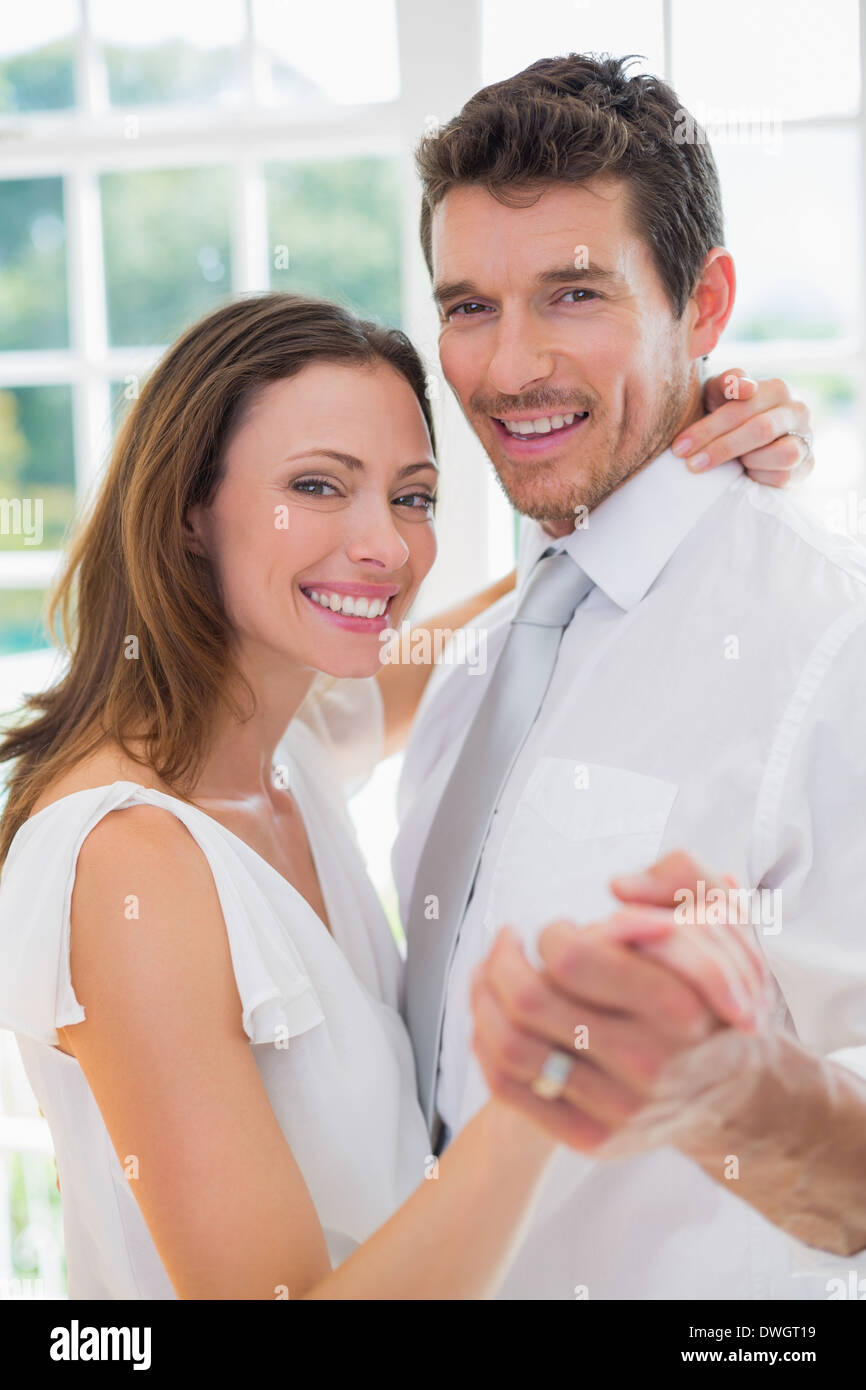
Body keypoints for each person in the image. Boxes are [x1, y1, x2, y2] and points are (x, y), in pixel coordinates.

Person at [0, 287, 802, 1300]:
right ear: (190, 511)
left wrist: (683, 464)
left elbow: (539, 606)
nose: (384, 547)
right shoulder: (130, 864)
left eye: (411, 495)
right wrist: (549, 1075)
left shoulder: (280, 738)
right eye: (319, 486)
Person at [393, 52, 866, 1300]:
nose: (505, 369)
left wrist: (727, 1090)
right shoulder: (472, 666)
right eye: (468, 306)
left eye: (572, 294)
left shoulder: (831, 647)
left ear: (701, 305)